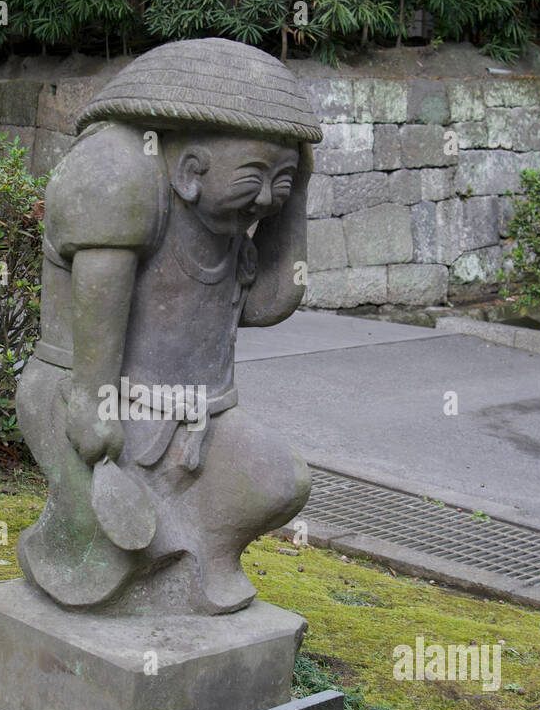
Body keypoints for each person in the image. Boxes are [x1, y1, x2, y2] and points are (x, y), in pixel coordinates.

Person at [16, 36, 323, 614]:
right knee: (116, 551)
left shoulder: (232, 224)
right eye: (253, 176)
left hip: (198, 420)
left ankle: (200, 566)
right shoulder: (120, 175)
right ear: (188, 170)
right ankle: (119, 570)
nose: (264, 199)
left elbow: (269, 303)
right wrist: (93, 401)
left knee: (281, 481)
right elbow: (99, 309)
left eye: (278, 181)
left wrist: (298, 190)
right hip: (90, 405)